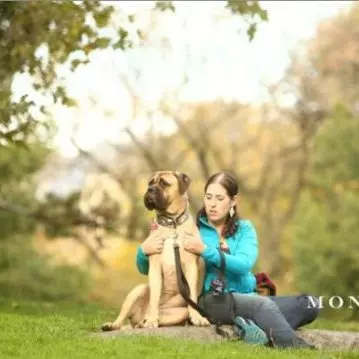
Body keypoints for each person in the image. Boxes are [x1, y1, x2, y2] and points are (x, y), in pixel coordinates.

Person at [136, 171, 320, 349]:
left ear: (233, 201)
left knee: (310, 303)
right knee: (263, 305)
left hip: (247, 296)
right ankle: (296, 348)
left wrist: (206, 251)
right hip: (213, 298)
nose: (212, 204)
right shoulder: (191, 227)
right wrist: (144, 250)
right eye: (208, 197)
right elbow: (150, 267)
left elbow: (244, 265)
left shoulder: (245, 229)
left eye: (219, 198)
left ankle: (250, 325)